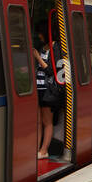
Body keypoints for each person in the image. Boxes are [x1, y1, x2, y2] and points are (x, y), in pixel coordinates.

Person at [34, 31, 58, 160]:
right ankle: (36, 148)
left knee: (46, 121)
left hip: (48, 90)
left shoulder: (57, 48)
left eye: (40, 32)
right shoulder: (43, 48)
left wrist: (38, 58)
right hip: (38, 88)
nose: (39, 35)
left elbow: (52, 70)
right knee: (38, 122)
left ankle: (44, 150)